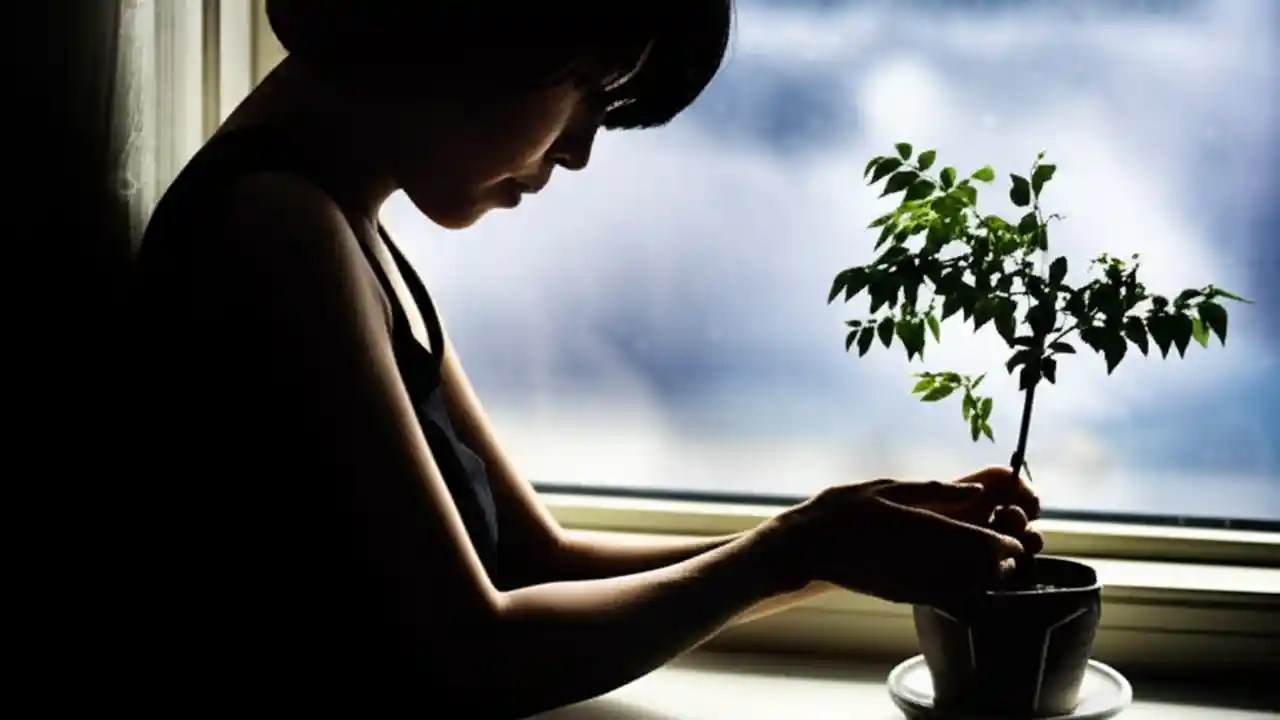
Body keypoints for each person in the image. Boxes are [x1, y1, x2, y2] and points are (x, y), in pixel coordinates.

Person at [125, 0, 1043, 714]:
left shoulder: (346, 230)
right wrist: (790, 552)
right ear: (483, 27)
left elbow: (537, 564)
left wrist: (831, 544)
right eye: (592, 92)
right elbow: (474, 654)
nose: (581, 152)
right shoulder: (277, 231)